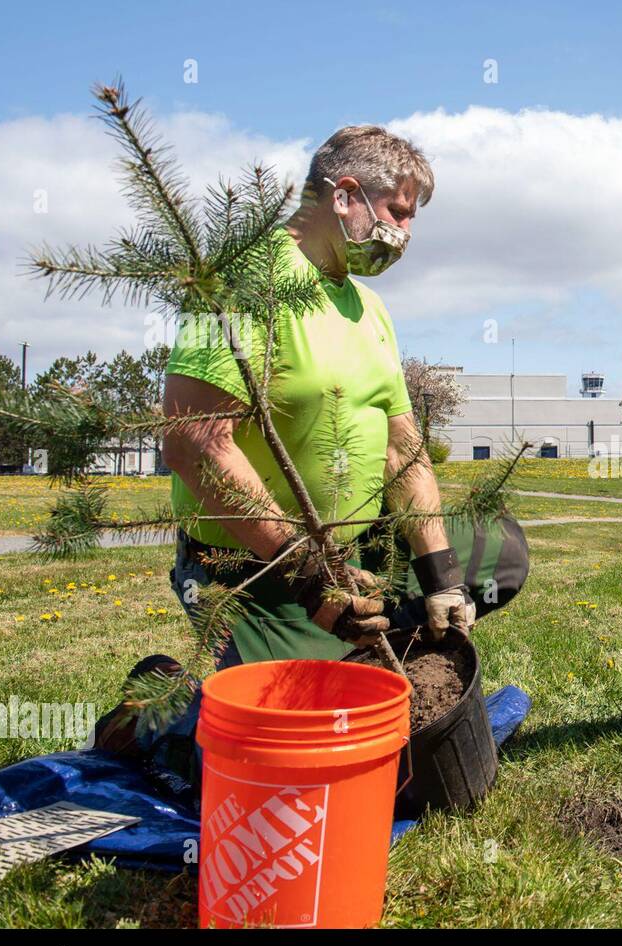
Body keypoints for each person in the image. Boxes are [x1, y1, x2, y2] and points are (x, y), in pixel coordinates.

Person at [160, 125, 473, 668]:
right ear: (344, 195)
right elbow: (194, 442)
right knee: (292, 736)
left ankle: (380, 633)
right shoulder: (247, 280)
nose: (405, 231)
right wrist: (308, 576)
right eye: (399, 212)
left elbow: (402, 448)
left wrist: (441, 578)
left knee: (502, 554)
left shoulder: (369, 307)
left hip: (357, 552)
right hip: (252, 569)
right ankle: (156, 716)